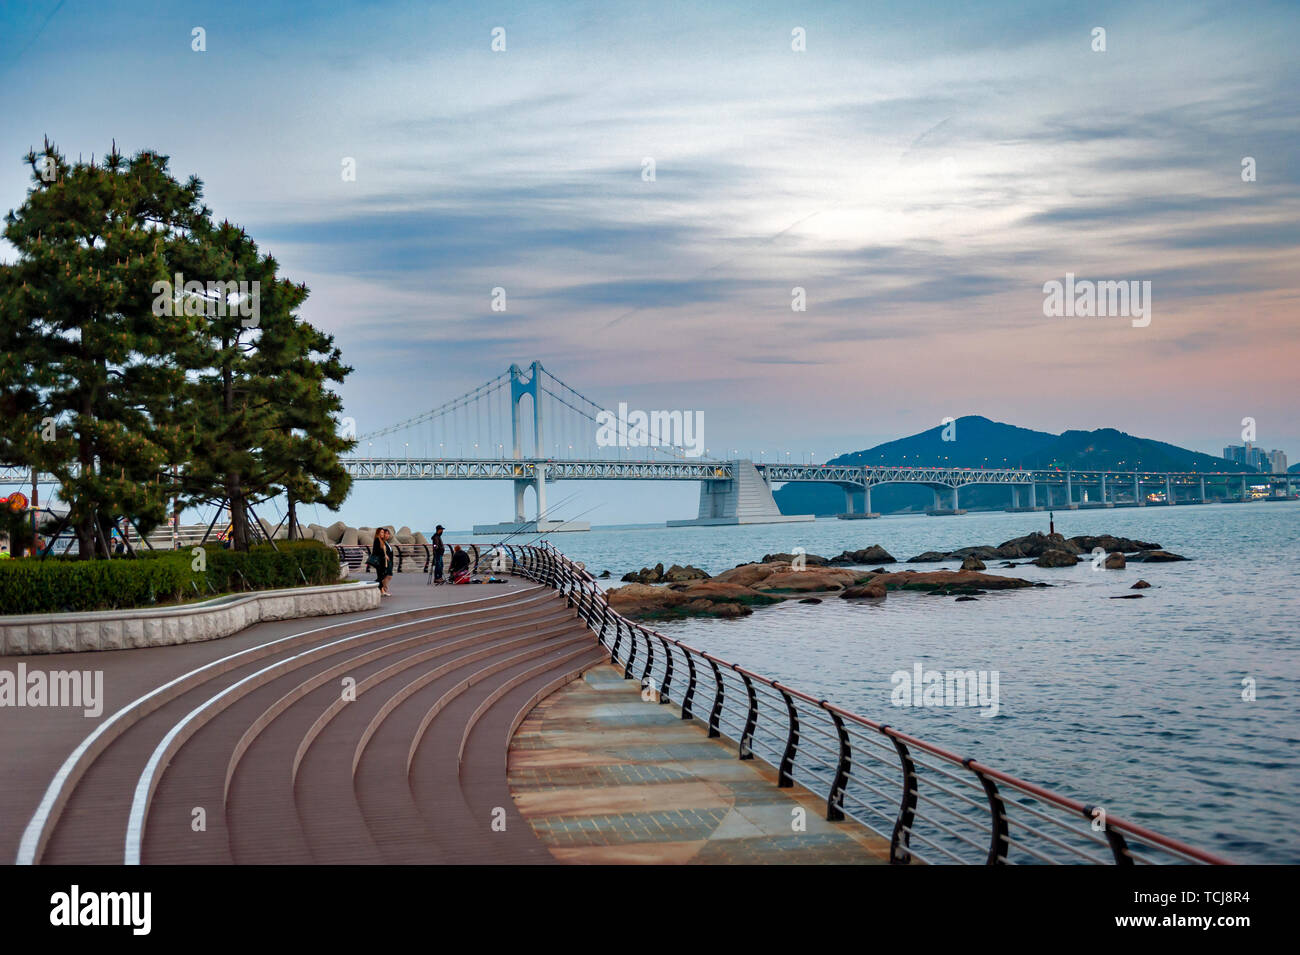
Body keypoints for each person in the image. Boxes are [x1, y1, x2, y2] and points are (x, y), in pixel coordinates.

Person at [371, 526, 395, 596]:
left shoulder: (381, 541)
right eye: (382, 532)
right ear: (378, 533)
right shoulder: (377, 540)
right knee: (381, 577)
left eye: (383, 532)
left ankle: (382, 590)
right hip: (380, 561)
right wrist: (384, 555)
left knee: (382, 576)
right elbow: (377, 551)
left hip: (384, 561)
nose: (383, 534)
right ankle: (381, 589)